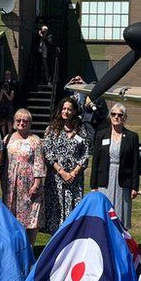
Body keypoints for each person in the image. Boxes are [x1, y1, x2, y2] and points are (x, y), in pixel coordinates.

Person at [42, 96, 90, 234]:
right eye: (64, 108)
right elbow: (47, 153)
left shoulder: (81, 130)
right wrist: (62, 172)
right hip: (56, 178)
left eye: (69, 109)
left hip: (74, 179)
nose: (66, 111)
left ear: (74, 111)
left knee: (72, 212)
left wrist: (74, 172)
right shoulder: (52, 129)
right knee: (56, 213)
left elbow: (85, 153)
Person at [89, 103, 140, 229]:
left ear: (125, 117)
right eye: (113, 114)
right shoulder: (101, 134)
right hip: (105, 179)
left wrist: (135, 187)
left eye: (120, 115)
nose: (116, 117)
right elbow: (96, 161)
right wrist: (93, 185)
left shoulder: (132, 137)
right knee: (104, 211)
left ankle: (121, 241)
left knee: (121, 211)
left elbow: (135, 163)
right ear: (110, 116)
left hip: (123, 180)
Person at [2, 108, 46, 245]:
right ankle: (15, 248)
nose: (21, 123)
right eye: (18, 120)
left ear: (30, 123)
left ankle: (30, 249)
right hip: (11, 185)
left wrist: (36, 184)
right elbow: (3, 162)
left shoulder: (36, 140)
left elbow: (39, 163)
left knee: (31, 218)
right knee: (11, 217)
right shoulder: (7, 139)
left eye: (25, 121)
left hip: (29, 185)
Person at [0, 70, 17, 136]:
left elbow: (10, 98)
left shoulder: (12, 87)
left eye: (8, 74)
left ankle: (10, 135)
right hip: (2, 105)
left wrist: (5, 93)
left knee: (9, 121)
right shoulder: (1, 85)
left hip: (9, 105)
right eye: (6, 74)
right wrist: (2, 92)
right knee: (3, 121)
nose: (7, 76)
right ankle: (3, 135)